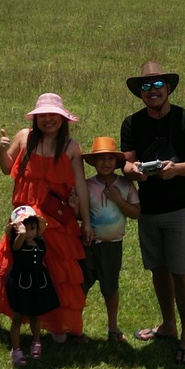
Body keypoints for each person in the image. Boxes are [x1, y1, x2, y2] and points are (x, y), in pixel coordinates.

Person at [0, 93, 86, 339]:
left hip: (56, 222)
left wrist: (86, 221)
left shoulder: (71, 147)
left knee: (56, 270)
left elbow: (81, 186)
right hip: (23, 219)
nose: (47, 119)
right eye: (42, 115)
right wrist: (1, 150)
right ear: (35, 118)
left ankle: (56, 323)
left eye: (53, 115)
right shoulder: (25, 137)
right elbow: (6, 167)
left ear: (63, 119)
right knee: (6, 265)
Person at [120, 61, 185, 364]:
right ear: (140, 94)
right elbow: (127, 163)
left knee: (182, 273)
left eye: (158, 85)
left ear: (168, 88)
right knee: (158, 269)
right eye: (146, 87)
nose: (152, 91)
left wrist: (178, 169)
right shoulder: (132, 124)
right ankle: (168, 325)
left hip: (181, 208)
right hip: (148, 210)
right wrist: (134, 172)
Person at [78, 136, 141, 340]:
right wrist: (73, 208)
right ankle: (75, 327)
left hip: (113, 246)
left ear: (117, 162)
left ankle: (113, 327)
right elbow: (80, 214)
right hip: (88, 244)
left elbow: (135, 212)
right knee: (81, 285)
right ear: (93, 162)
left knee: (110, 287)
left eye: (110, 159)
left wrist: (118, 199)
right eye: (100, 159)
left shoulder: (125, 185)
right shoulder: (86, 186)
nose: (105, 163)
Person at [2, 205, 59, 365]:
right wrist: (20, 233)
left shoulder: (40, 242)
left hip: (37, 282)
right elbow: (17, 245)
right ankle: (16, 348)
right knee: (18, 317)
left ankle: (36, 342)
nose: (28, 232)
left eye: (32, 228)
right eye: (24, 229)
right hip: (20, 284)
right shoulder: (17, 242)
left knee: (35, 315)